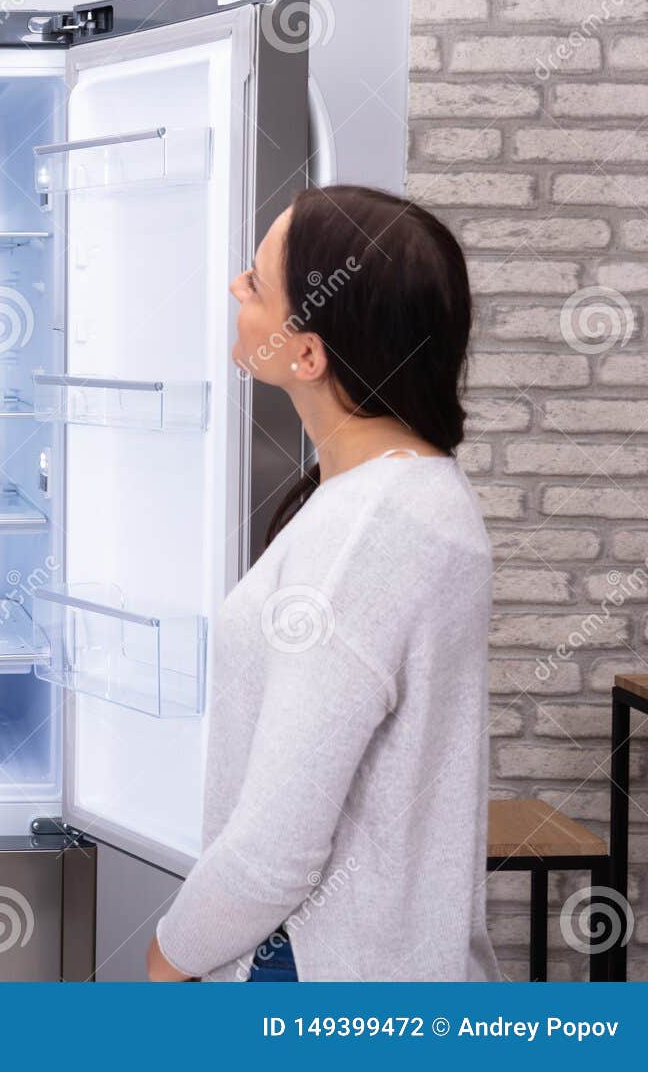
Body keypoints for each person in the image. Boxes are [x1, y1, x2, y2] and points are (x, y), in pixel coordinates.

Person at [145, 185, 499, 982]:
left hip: (314, 972)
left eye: (256, 283)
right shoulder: (411, 490)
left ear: (307, 355)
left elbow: (277, 849)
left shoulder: (364, 536)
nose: (236, 288)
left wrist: (167, 956)